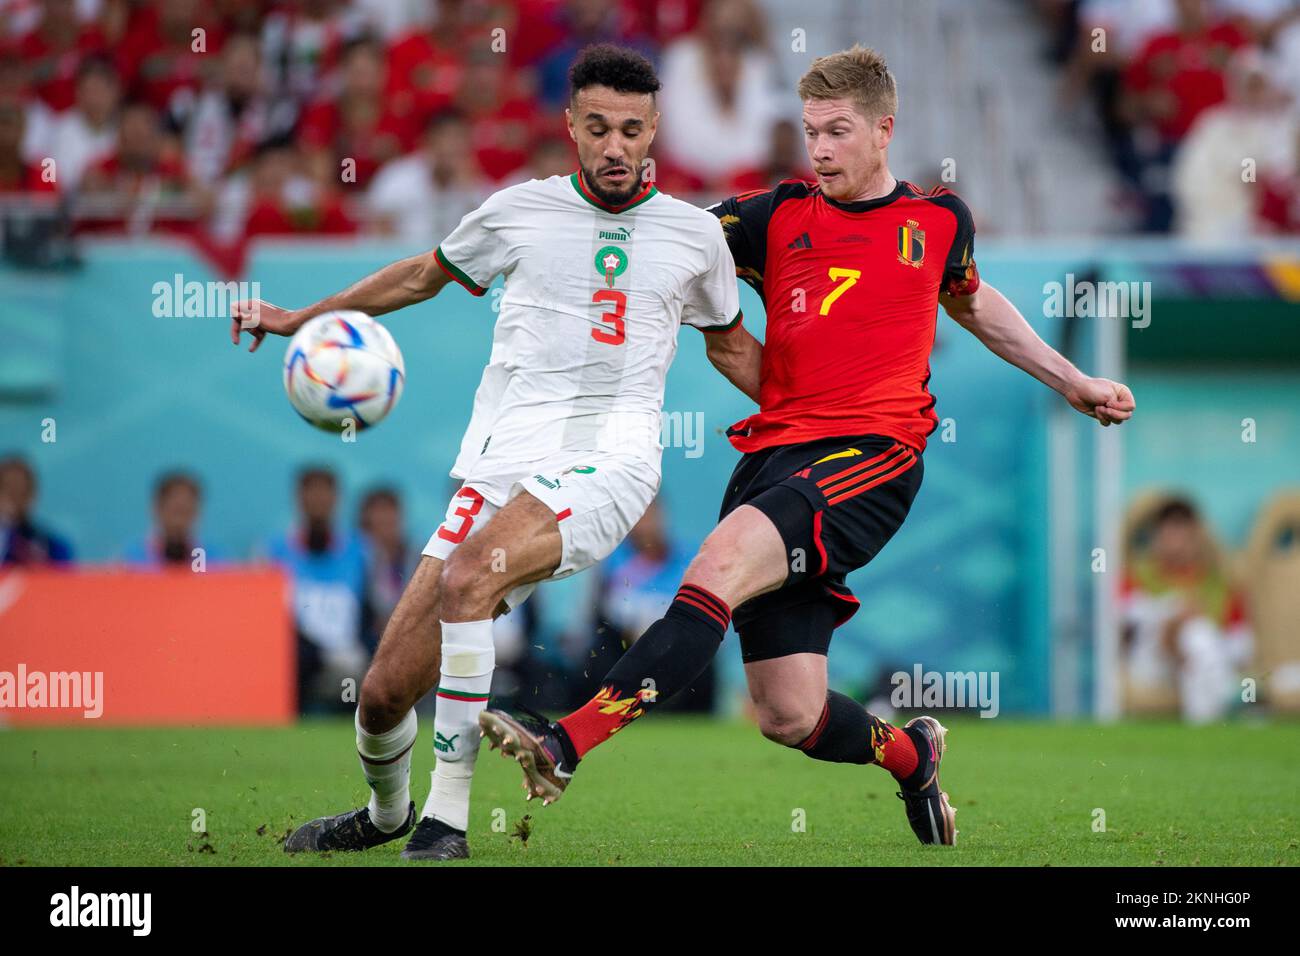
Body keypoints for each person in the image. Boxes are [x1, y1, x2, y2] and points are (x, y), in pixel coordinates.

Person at [481, 45, 1136, 848]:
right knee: (789, 714)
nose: (820, 148)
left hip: (874, 456)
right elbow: (664, 235)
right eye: (810, 131)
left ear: (883, 130)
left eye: (837, 131)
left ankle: (565, 742)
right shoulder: (769, 217)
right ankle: (913, 756)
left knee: (714, 571)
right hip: (775, 459)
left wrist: (1072, 381)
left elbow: (969, 300)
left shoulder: (936, 222)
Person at [227, 44, 758, 861]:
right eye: (598, 128)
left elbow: (731, 349)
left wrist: (831, 417)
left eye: (631, 130)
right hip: (502, 466)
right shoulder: (518, 211)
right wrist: (301, 316)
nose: (615, 147)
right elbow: (417, 276)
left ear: (654, 131)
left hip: (610, 462)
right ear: (571, 127)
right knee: (379, 695)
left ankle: (445, 823)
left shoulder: (695, 237)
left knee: (471, 578)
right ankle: (386, 814)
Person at [1121, 498, 1252, 724]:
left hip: (1204, 662)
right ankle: (1226, 709)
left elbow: (1241, 645)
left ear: (1196, 536)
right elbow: (1125, 625)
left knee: (1199, 636)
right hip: (1153, 662)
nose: (1176, 543)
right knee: (1187, 626)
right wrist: (1172, 622)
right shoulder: (1137, 577)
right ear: (1157, 538)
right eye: (1169, 534)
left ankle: (1206, 716)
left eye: (1182, 534)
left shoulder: (1219, 584)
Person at [264, 467, 370, 715]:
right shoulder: (274, 551)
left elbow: (370, 608)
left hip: (349, 657)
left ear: (336, 499)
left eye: (325, 495)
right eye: (311, 495)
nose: (318, 502)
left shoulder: (359, 552)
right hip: (298, 659)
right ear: (299, 499)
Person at [123, 471, 222, 568]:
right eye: (175, 510)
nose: (179, 521)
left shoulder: (216, 561)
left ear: (197, 512)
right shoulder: (130, 562)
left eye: (185, 511)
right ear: (156, 508)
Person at [0, 455, 73, 565]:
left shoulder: (50, 547)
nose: (13, 497)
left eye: (20, 490)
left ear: (32, 496)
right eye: (7, 487)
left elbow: (64, 573)